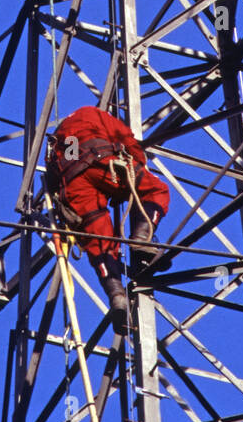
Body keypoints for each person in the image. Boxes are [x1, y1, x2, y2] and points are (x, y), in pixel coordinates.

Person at [45, 105, 171, 325]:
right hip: (103, 163)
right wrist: (136, 167)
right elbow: (129, 142)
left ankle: (117, 296)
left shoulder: (58, 138)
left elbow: (53, 177)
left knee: (99, 241)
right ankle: (142, 238)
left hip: (76, 184)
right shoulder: (94, 114)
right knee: (156, 191)